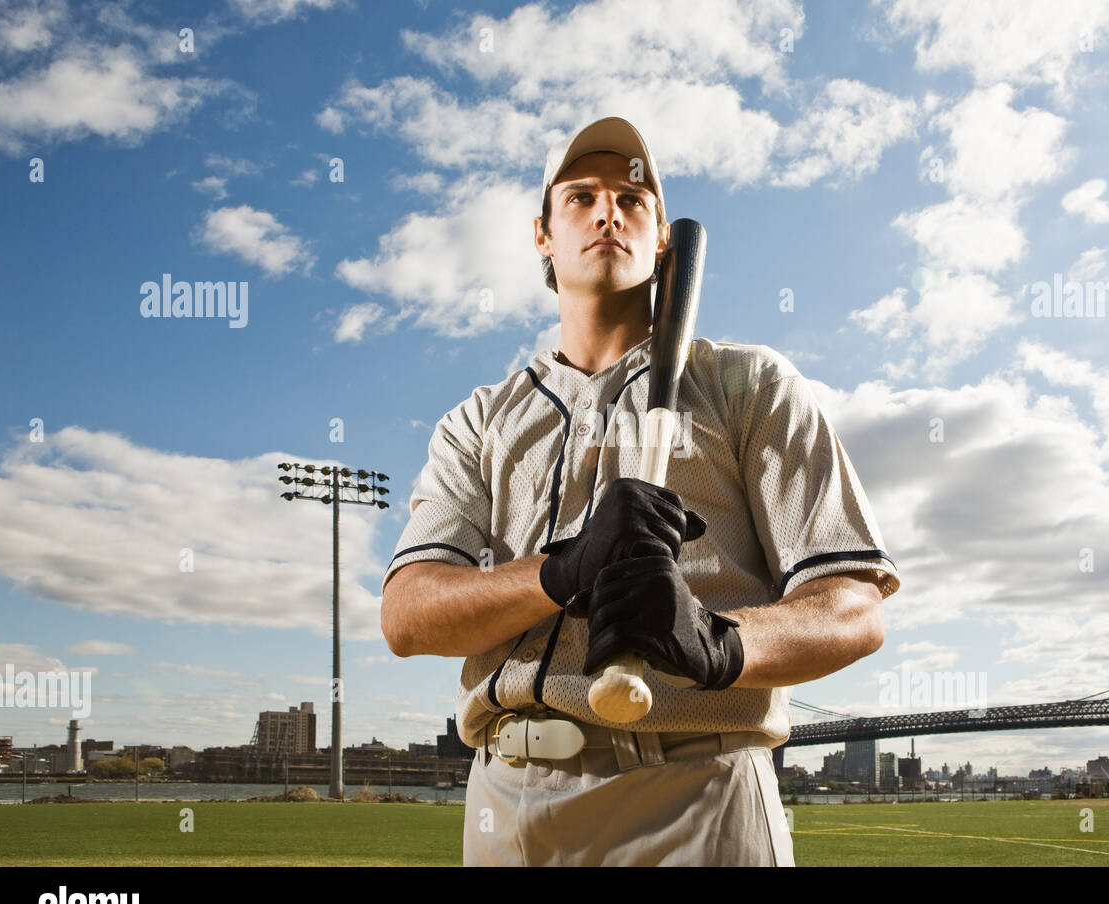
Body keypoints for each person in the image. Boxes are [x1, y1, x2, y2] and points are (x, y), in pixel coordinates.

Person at [380, 116, 900, 866]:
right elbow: (408, 615)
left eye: (633, 196)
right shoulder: (477, 421)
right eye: (582, 196)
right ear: (542, 237)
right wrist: (562, 571)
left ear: (662, 239)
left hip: (696, 794)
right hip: (506, 803)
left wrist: (720, 643)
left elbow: (853, 607)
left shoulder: (747, 385)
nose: (607, 211)